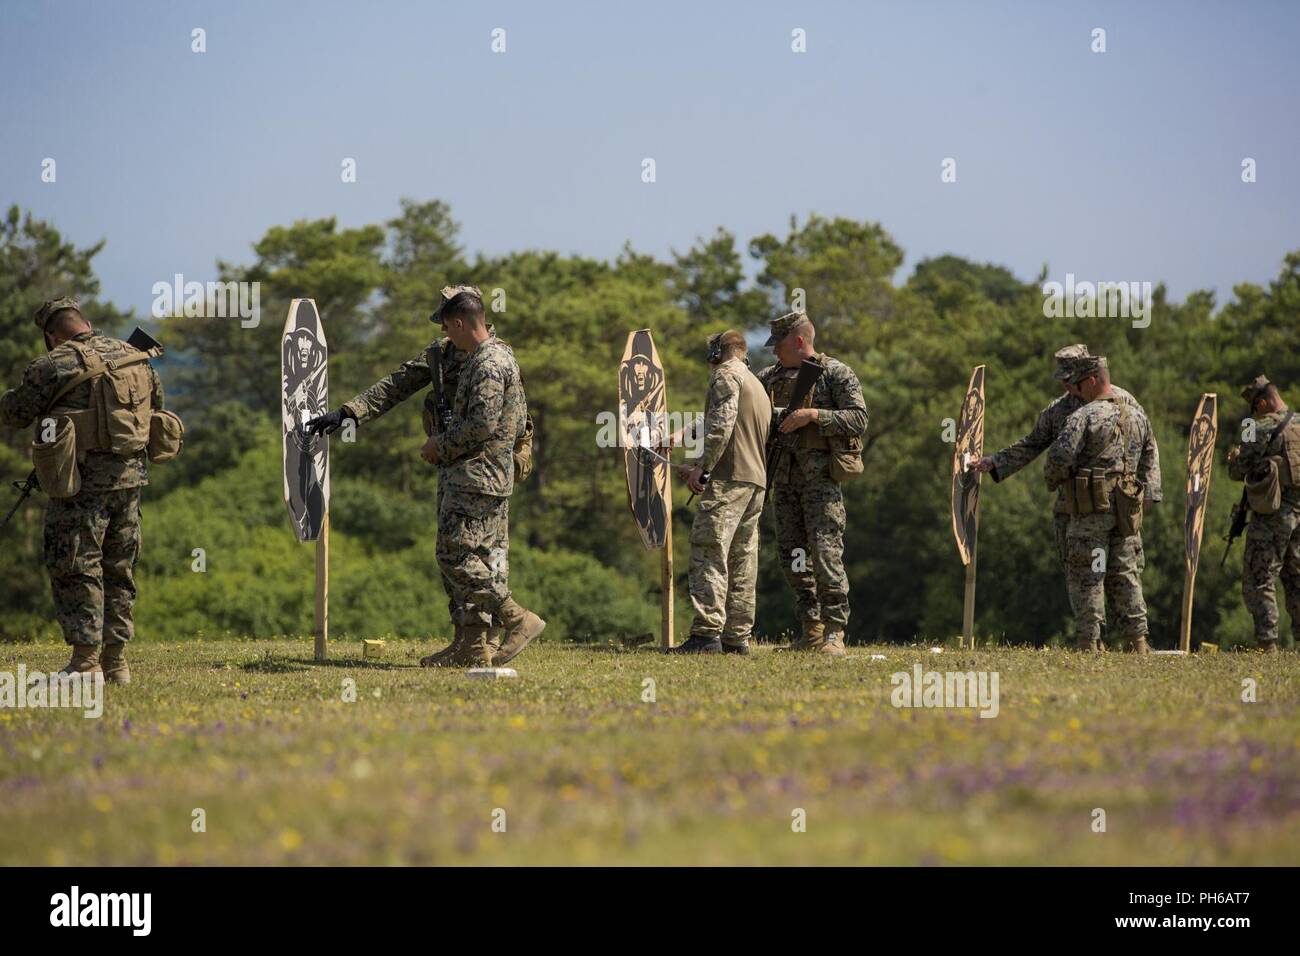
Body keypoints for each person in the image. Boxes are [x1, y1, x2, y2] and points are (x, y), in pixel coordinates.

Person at [307, 286, 543, 667]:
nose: (445, 334)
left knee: (460, 554)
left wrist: (441, 446)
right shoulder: (446, 355)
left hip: (479, 471)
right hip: (465, 470)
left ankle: (516, 618)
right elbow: (396, 385)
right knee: (479, 556)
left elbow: (490, 423)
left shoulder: (490, 362)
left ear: (461, 321)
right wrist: (348, 414)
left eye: (448, 325)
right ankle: (471, 643)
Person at [0, 297, 166, 683]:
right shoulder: (134, 357)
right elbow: (155, 408)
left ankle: (84, 663)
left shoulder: (52, 365)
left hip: (79, 486)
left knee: (77, 567)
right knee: (119, 570)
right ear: (86, 323)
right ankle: (116, 664)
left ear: (51, 335)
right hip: (129, 482)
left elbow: (15, 414)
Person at [973, 344, 1162, 574]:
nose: (1066, 385)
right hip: (1074, 506)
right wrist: (995, 461)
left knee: (1123, 575)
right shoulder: (1059, 410)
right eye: (1063, 379)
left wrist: (1150, 488)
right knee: (1079, 574)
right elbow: (1033, 443)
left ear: (1086, 375)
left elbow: (1148, 443)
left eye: (1070, 378)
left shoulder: (1123, 401)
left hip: (1119, 504)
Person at [756, 312, 868, 656]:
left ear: (799, 341)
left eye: (779, 344)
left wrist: (814, 416)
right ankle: (811, 630)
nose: (774, 351)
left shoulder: (834, 373)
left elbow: (858, 418)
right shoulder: (767, 378)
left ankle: (835, 632)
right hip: (784, 482)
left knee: (825, 553)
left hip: (820, 484)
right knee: (793, 557)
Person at [1043, 357, 1157, 653]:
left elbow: (1058, 459)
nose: (1076, 390)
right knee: (1126, 572)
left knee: (1089, 572)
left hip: (1092, 510)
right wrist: (1148, 495)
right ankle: (1138, 641)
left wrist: (1055, 481)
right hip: (1127, 509)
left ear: (1093, 380)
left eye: (1079, 384)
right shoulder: (1136, 414)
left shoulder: (1084, 416)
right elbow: (1150, 456)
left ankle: (1088, 642)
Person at [670, 330, 772, 655]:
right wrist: (682, 435)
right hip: (755, 481)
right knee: (743, 558)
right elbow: (722, 420)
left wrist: (701, 467)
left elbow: (721, 425)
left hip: (729, 479)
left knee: (708, 549)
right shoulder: (755, 383)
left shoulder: (725, 375)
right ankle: (736, 638)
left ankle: (705, 634)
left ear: (717, 350)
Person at [1227, 376, 1300, 653]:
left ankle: (1267, 644)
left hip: (1274, 516)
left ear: (1261, 403)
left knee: (1260, 577)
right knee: (1296, 577)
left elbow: (1237, 471)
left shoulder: (1256, 427)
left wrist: (1234, 457)